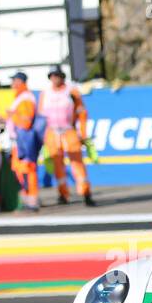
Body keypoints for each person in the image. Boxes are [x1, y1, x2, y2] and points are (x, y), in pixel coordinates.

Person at [39, 65, 94, 205]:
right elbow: (41, 116)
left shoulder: (72, 91)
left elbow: (82, 113)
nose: (54, 78)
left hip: (68, 130)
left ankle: (85, 192)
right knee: (57, 164)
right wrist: (43, 135)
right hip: (52, 132)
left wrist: (83, 133)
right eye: (52, 76)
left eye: (57, 75)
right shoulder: (45, 93)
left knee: (77, 163)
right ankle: (63, 193)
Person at [5, 72, 42, 212]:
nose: (12, 83)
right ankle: (27, 199)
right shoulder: (20, 97)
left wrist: (11, 115)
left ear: (20, 81)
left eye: (14, 80)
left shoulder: (25, 98)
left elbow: (25, 123)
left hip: (25, 140)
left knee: (28, 169)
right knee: (20, 170)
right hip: (18, 141)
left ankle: (32, 201)